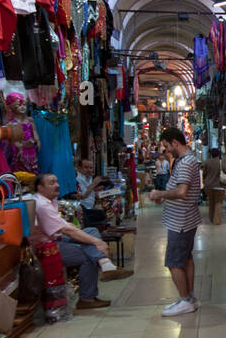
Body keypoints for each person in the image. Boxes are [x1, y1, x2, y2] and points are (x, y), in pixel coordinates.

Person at [33, 173, 131, 310]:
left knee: (91, 231)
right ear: (40, 188)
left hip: (57, 239)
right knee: (88, 256)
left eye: (56, 182)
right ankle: (87, 297)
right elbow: (66, 230)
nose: (57, 185)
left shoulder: (50, 200)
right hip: (46, 248)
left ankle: (104, 264)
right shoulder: (42, 204)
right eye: (51, 183)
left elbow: (64, 226)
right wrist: (98, 243)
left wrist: (88, 237)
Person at [151, 128, 202, 316]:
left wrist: (160, 193)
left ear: (175, 143)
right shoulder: (186, 160)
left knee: (173, 262)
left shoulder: (186, 162)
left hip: (181, 220)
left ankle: (185, 300)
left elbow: (181, 192)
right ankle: (188, 298)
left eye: (165, 146)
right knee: (186, 258)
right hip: (183, 218)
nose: (165, 151)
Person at [74, 157, 109, 228]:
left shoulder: (89, 177)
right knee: (101, 215)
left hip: (90, 207)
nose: (89, 170)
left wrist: (95, 189)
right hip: (84, 209)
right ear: (79, 168)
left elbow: (88, 189)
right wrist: (94, 184)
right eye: (86, 167)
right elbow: (83, 195)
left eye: (91, 168)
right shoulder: (78, 179)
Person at [200, 147, 226, 225]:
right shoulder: (220, 162)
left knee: (211, 202)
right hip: (218, 185)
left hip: (208, 185)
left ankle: (211, 218)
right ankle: (217, 220)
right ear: (218, 154)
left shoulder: (207, 162)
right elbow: (225, 171)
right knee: (218, 202)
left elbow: (204, 173)